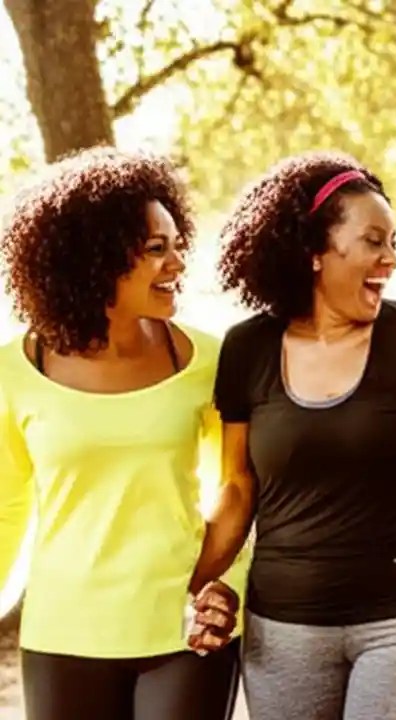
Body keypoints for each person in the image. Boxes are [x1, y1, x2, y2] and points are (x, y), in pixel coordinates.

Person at [192, 151, 396, 720]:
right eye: (374, 241)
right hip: (283, 628)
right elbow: (236, 488)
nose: (391, 259)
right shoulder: (247, 349)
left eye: (394, 242)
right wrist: (196, 589)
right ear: (314, 253)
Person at [0, 147, 243, 720]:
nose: (177, 265)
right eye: (156, 250)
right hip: (62, 633)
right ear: (96, 258)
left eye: (177, 245)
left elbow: (237, 487)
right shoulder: (14, 371)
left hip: (184, 630)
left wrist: (227, 584)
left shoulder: (210, 361)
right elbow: (6, 508)